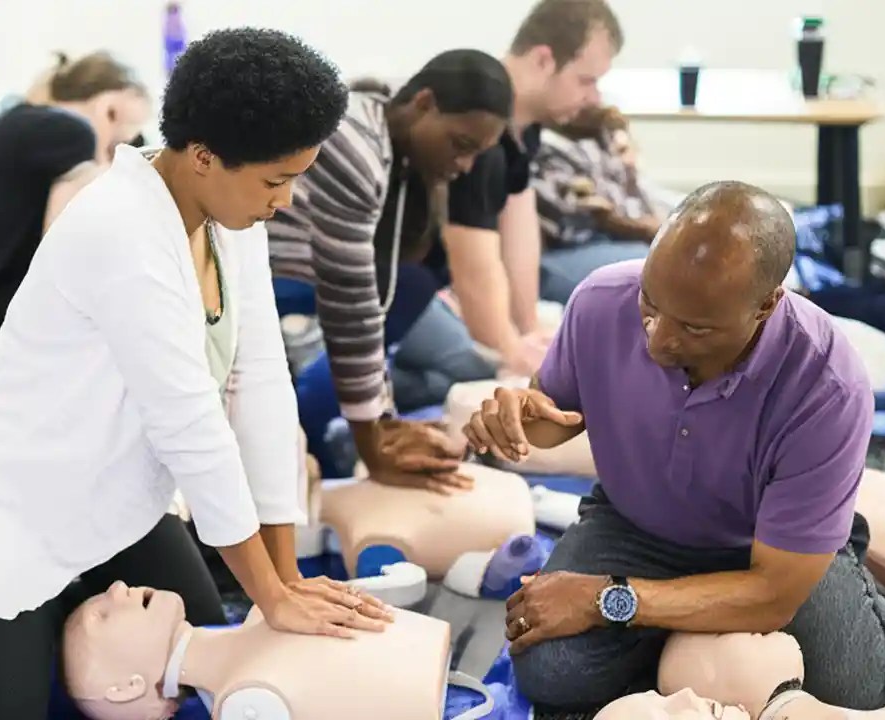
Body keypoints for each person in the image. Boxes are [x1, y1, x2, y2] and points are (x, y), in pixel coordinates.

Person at [0, 28, 391, 719]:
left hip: (114, 495)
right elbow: (190, 423)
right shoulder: (119, 228)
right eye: (276, 180)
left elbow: (259, 384)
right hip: (8, 506)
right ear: (203, 157)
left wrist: (283, 580)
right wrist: (270, 594)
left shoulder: (232, 221)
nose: (284, 202)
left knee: (206, 654)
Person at [464, 181, 885, 715]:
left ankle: (853, 568)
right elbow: (553, 419)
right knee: (551, 671)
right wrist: (517, 418)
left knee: (849, 692)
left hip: (764, 549)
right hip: (636, 526)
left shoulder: (827, 386)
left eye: (694, 327)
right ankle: (682, 628)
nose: (656, 341)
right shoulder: (602, 300)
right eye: (650, 302)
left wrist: (606, 599)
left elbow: (772, 593)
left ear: (766, 306)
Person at [265, 49, 513, 492]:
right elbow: (351, 305)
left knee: (420, 312)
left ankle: (337, 426)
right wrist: (373, 444)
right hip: (270, 285)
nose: (464, 166)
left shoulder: (384, 137)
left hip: (292, 286)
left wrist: (383, 420)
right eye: (460, 145)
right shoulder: (355, 144)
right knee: (406, 303)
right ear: (424, 104)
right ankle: (324, 431)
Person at [409, 0, 622, 389]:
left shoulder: (524, 128)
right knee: (479, 368)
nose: (594, 98)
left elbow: (518, 236)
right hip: (401, 282)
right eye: (586, 80)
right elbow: (472, 263)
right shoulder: (481, 126)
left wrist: (527, 332)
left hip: (434, 283)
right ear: (543, 60)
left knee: (498, 362)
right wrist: (512, 352)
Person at [0, 51, 151, 384]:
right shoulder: (69, 131)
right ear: (110, 109)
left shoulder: (18, 122)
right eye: (121, 143)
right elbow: (68, 249)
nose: (115, 155)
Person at [531, 104, 662, 300]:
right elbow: (595, 211)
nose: (627, 161)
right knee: (664, 270)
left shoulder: (625, 171)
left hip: (617, 236)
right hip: (577, 245)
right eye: (586, 82)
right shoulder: (550, 148)